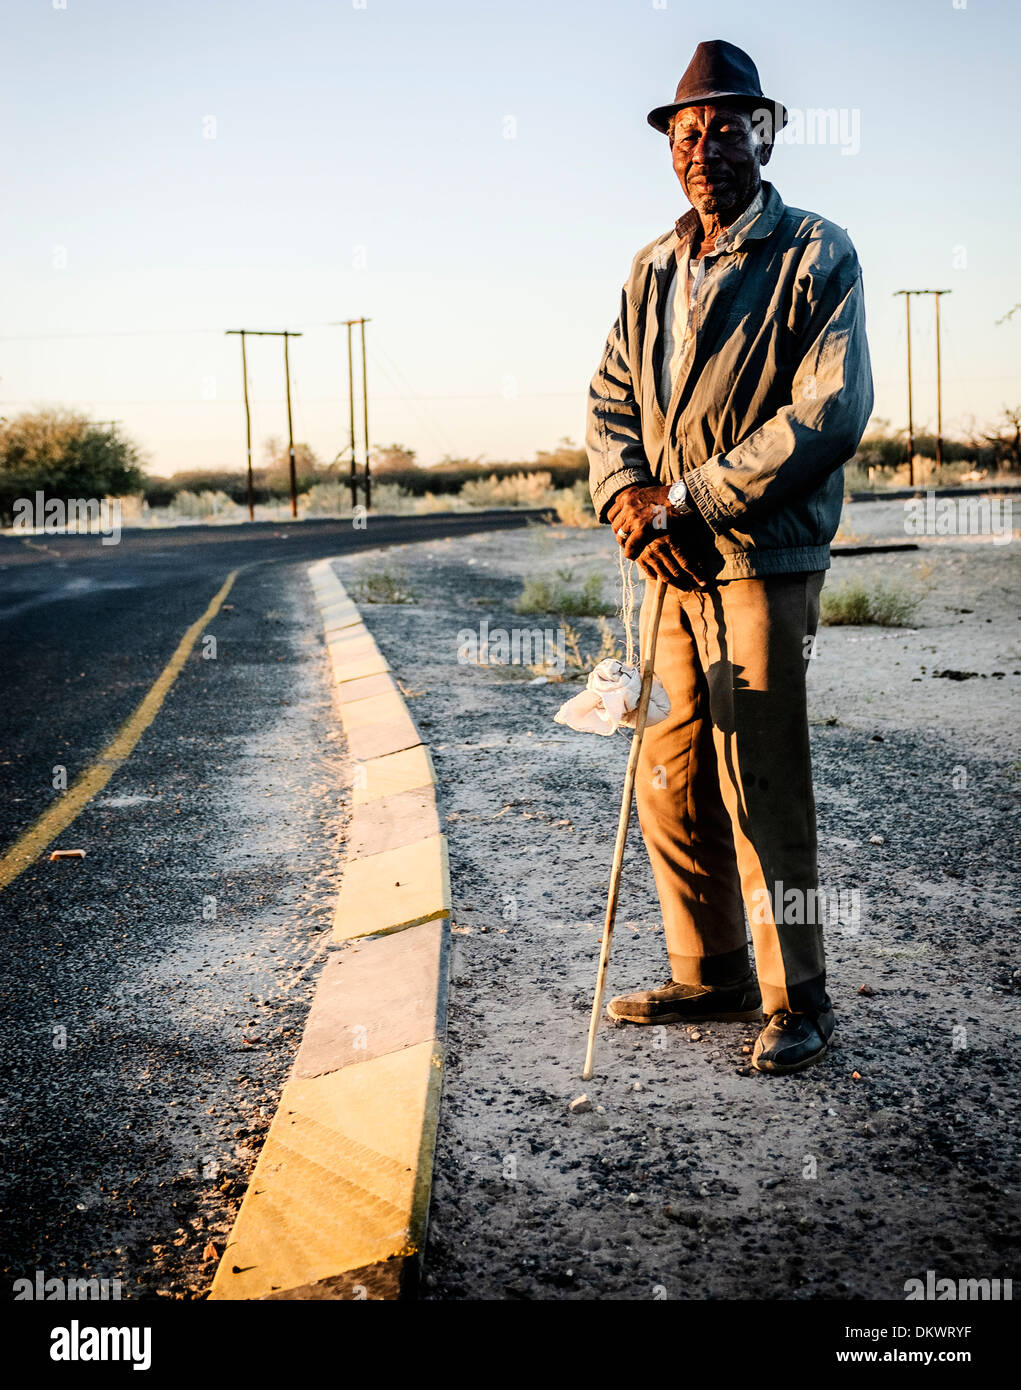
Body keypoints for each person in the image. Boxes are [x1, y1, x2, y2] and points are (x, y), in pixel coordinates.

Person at [586, 39, 874, 1073]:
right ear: (670, 147)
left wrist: (696, 499)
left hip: (758, 554)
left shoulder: (813, 251)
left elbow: (829, 412)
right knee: (668, 771)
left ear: (766, 133)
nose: (705, 146)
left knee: (760, 775)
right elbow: (611, 398)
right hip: (666, 561)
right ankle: (707, 972)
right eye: (688, 131)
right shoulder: (650, 267)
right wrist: (627, 496)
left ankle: (797, 997)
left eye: (727, 126)